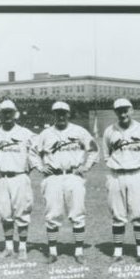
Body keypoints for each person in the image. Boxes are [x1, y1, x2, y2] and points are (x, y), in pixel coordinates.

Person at [34, 101, 98, 263]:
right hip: (53, 177)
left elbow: (93, 150)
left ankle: (78, 251)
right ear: (53, 114)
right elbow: (32, 152)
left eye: (63, 112)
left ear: (69, 114)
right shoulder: (45, 134)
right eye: (57, 113)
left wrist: (85, 166)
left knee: (77, 213)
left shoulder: (79, 131)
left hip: (73, 176)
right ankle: (53, 252)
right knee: (52, 213)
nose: (61, 115)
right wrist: (40, 167)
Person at [101, 98, 140, 264]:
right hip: (116, 175)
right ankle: (118, 252)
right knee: (118, 215)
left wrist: (135, 166)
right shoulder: (109, 131)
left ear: (131, 110)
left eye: (125, 110)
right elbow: (106, 155)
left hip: (138, 175)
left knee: (139, 214)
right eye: (119, 110)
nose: (123, 113)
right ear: (115, 112)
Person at [0, 100, 38, 260]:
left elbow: (37, 153)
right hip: (1, 179)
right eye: (4, 112)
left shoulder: (25, 133)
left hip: (20, 177)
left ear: (15, 114)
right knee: (5, 213)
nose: (7, 115)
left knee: (22, 213)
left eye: (10, 112)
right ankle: (8, 248)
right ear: (0, 114)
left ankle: (22, 248)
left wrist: (29, 168)